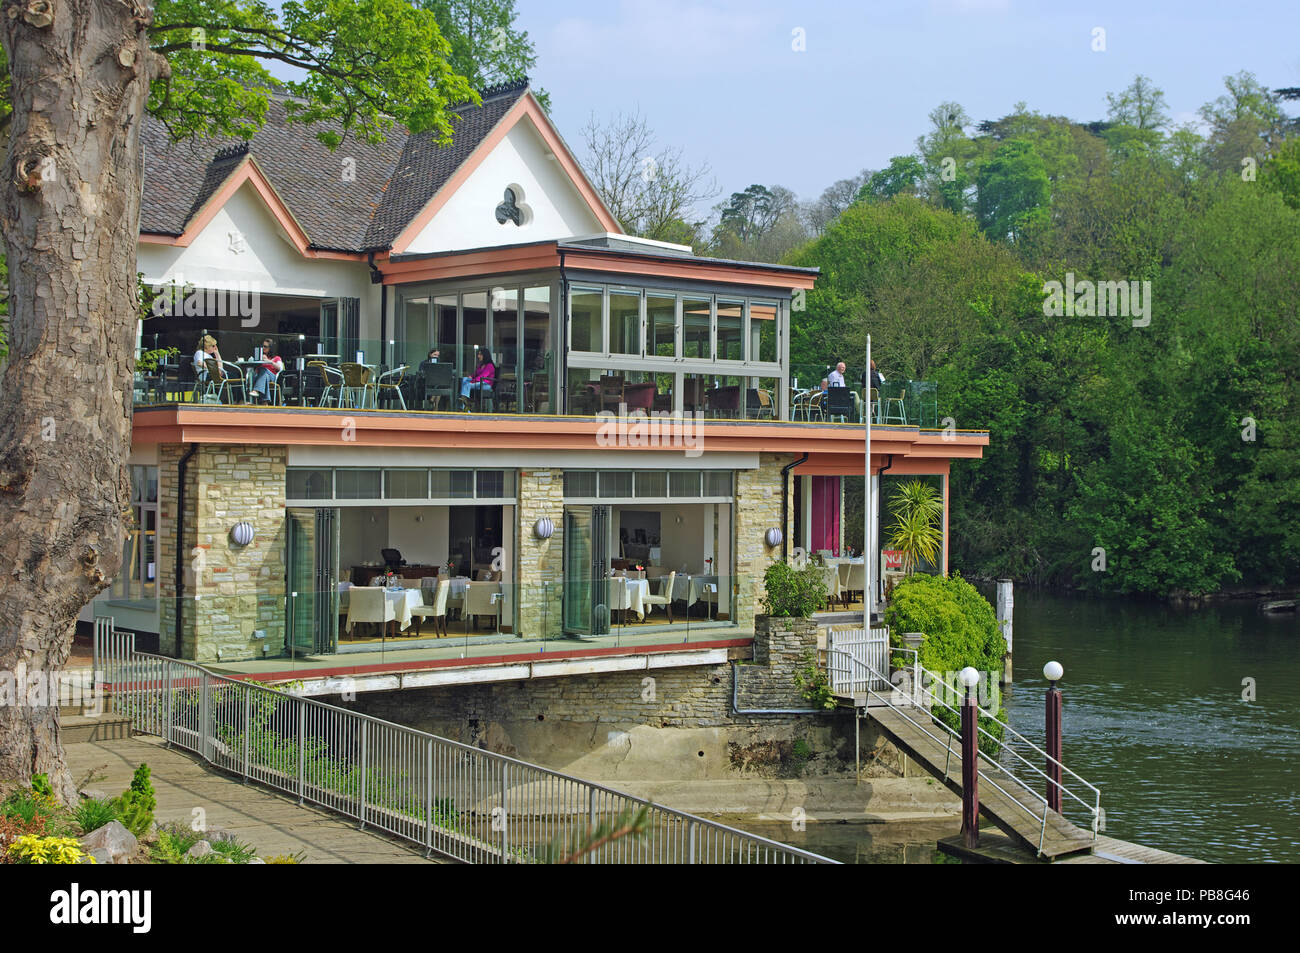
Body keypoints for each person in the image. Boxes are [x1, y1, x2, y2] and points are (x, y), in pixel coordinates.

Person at [250, 337, 283, 403]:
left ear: (270, 348)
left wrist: (269, 361)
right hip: (262, 377)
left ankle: (256, 391)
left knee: (263, 370)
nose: (263, 348)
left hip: (272, 377)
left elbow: (280, 368)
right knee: (265, 376)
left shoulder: (276, 358)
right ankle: (265, 401)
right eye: (262, 346)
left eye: (265, 346)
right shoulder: (260, 357)